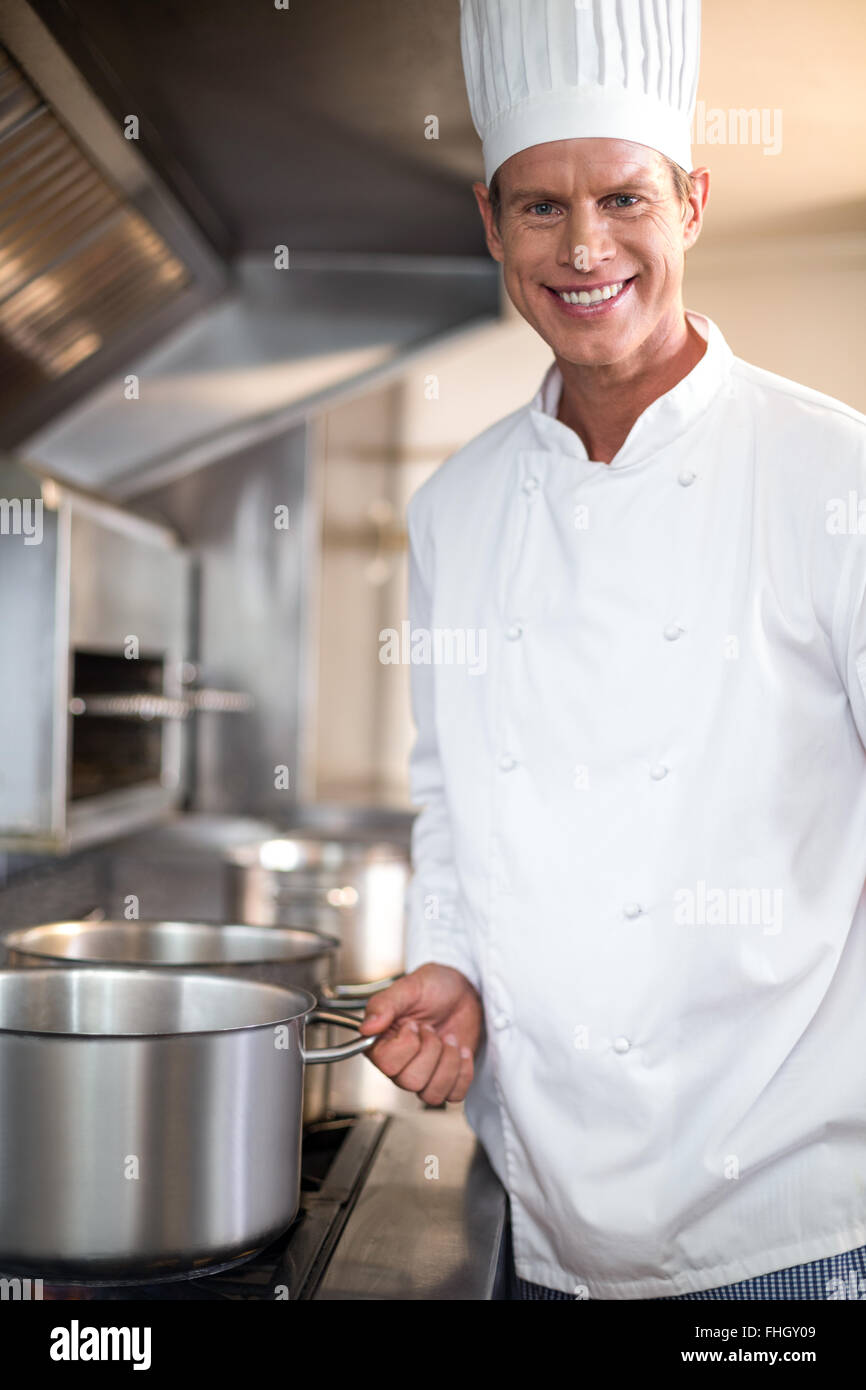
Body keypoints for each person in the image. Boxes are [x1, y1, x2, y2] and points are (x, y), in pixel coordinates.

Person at [359, 0, 866, 1300]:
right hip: (546, 1224)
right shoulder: (454, 511)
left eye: (622, 199)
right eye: (539, 207)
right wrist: (453, 966)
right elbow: (453, 806)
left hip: (785, 1236)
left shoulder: (833, 476)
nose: (584, 247)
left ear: (689, 201)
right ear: (490, 221)